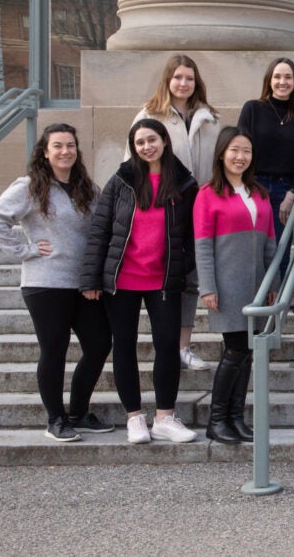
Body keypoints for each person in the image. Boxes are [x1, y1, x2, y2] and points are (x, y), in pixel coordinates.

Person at [0, 123, 112, 442]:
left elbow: (98, 232)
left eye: (70, 145)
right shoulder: (29, 186)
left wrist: (95, 274)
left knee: (99, 345)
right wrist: (25, 250)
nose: (65, 151)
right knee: (54, 350)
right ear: (45, 151)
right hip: (46, 283)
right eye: (58, 146)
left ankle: (78, 413)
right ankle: (56, 420)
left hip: (83, 284)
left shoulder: (86, 187)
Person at [81, 119, 199, 445]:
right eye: (140, 142)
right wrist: (91, 278)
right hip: (122, 281)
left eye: (152, 139)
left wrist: (183, 267)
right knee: (125, 347)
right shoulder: (121, 180)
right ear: (133, 147)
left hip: (164, 281)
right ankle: (134, 417)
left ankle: (165, 417)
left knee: (167, 346)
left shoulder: (185, 184)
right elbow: (100, 230)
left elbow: (193, 233)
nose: (147, 147)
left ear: (164, 140)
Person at [130, 54, 221, 372]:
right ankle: (165, 345)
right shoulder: (149, 114)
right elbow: (136, 161)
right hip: (163, 207)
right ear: (168, 80)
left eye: (190, 78)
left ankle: (182, 346)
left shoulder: (209, 117)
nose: (184, 84)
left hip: (201, 208)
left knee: (192, 278)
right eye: (178, 77)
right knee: (166, 279)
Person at [193, 127, 277, 444]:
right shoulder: (208, 194)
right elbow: (202, 245)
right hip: (227, 284)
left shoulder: (259, 193)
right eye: (235, 150)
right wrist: (208, 287)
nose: (241, 157)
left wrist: (273, 282)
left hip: (256, 283)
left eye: (247, 151)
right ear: (221, 153)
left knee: (247, 352)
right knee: (236, 349)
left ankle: (236, 418)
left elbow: (270, 242)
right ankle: (217, 420)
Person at [237, 57, 294, 271]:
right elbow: (239, 149)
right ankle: (252, 300)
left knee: (279, 251)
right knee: (251, 249)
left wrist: (292, 194)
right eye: (277, 76)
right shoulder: (252, 109)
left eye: (288, 77)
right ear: (269, 80)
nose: (282, 82)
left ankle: (277, 300)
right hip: (252, 186)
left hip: (284, 191)